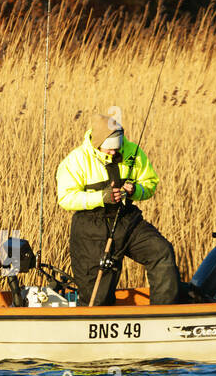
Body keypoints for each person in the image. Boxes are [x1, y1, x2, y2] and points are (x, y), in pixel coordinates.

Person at [56, 121, 181, 306]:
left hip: (127, 220)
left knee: (161, 252)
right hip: (91, 228)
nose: (114, 152)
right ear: (97, 143)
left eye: (117, 147)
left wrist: (135, 190)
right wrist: (101, 198)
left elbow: (150, 183)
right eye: (109, 149)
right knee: (97, 298)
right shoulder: (75, 160)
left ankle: (164, 315)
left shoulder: (134, 152)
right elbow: (66, 198)